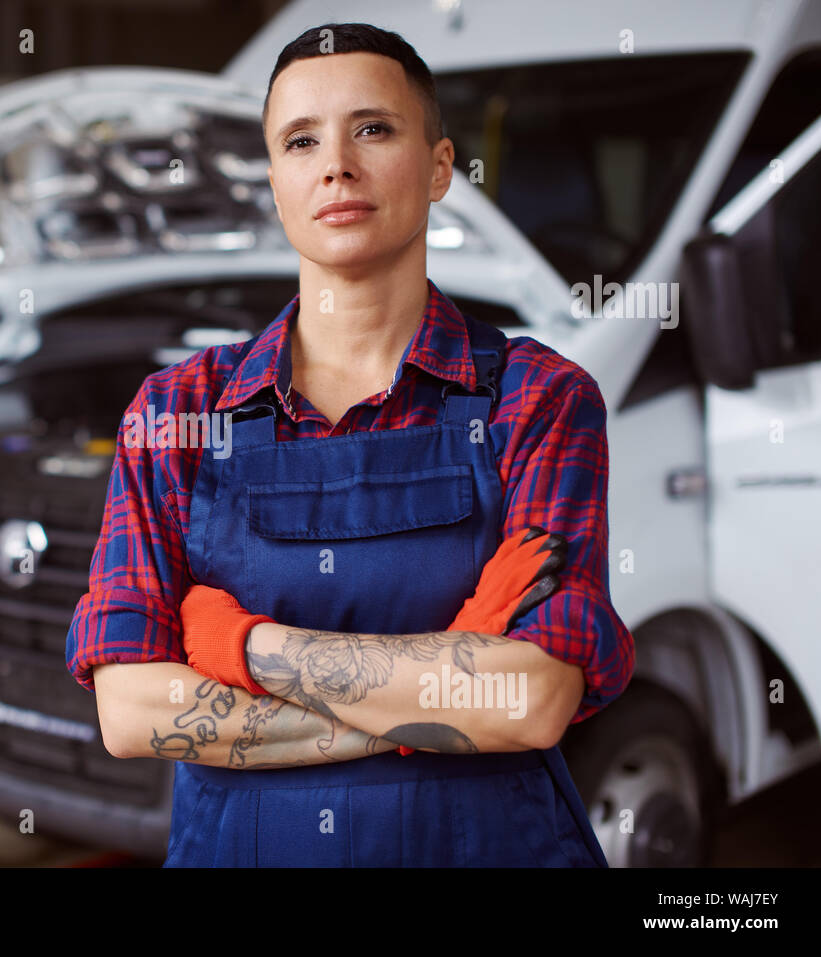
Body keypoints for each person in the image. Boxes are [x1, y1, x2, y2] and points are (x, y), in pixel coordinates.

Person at [66, 21, 634, 867]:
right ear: (274, 182)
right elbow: (131, 711)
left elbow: (528, 702)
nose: (336, 163)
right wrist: (446, 690)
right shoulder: (177, 411)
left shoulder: (539, 399)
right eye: (301, 140)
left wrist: (246, 646)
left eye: (373, 128)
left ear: (441, 166)